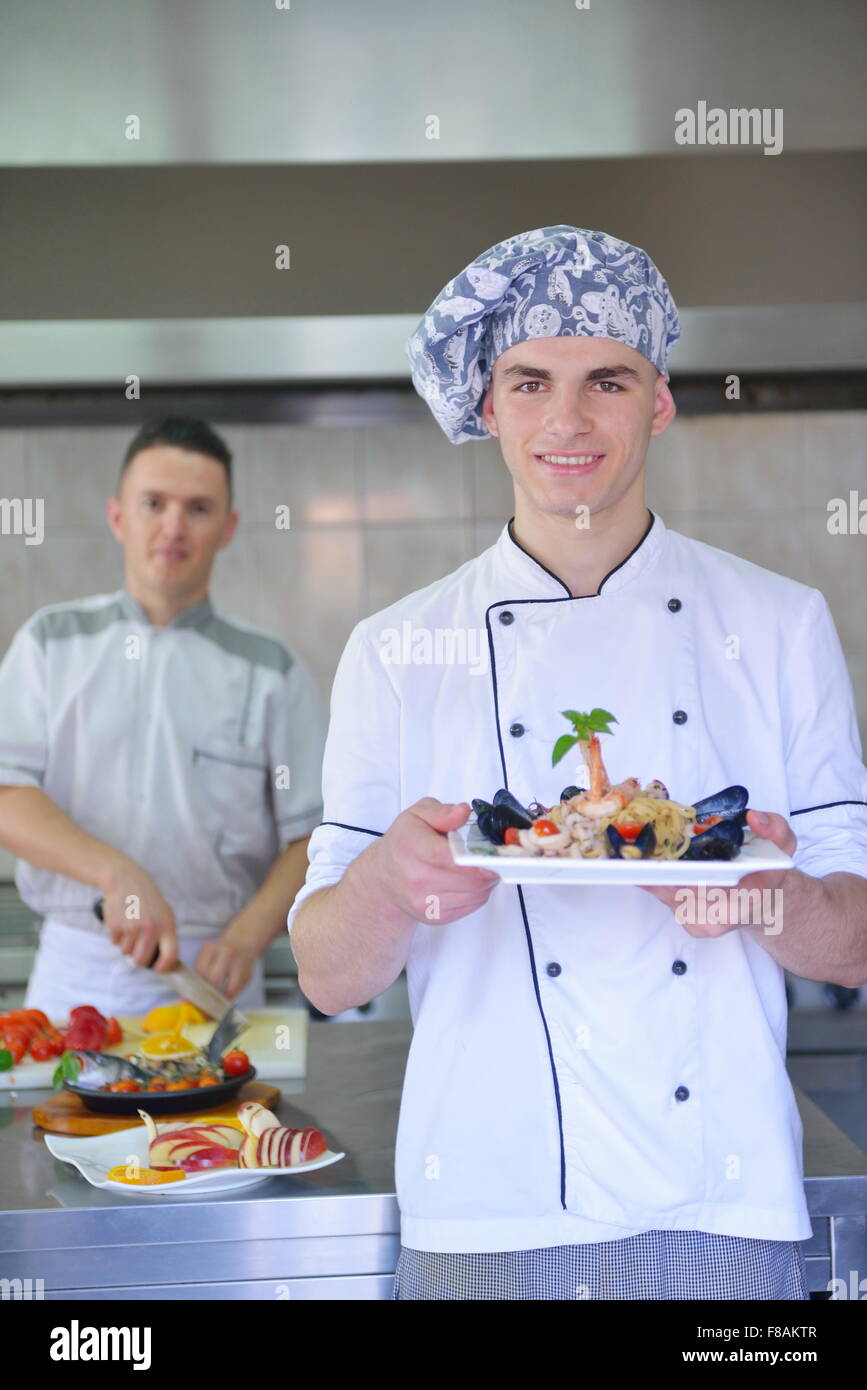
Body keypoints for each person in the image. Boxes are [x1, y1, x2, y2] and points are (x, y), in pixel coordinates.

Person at [288, 227, 867, 1301]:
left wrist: (758, 898)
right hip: (483, 1203)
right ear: (489, 405)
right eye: (530, 381)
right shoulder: (396, 649)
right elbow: (327, 973)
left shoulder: (782, 625)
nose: (567, 419)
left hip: (724, 1206)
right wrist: (389, 883)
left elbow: (857, 942)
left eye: (607, 378)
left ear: (659, 399)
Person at [0, 417, 326, 1017]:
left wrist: (247, 936)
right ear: (118, 516)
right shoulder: (49, 643)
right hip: (77, 971)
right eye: (154, 503)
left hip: (215, 977)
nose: (174, 526)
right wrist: (115, 873)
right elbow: (5, 791)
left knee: (221, 1118)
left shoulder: (271, 669)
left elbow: (314, 834)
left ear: (227, 529)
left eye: (198, 508)